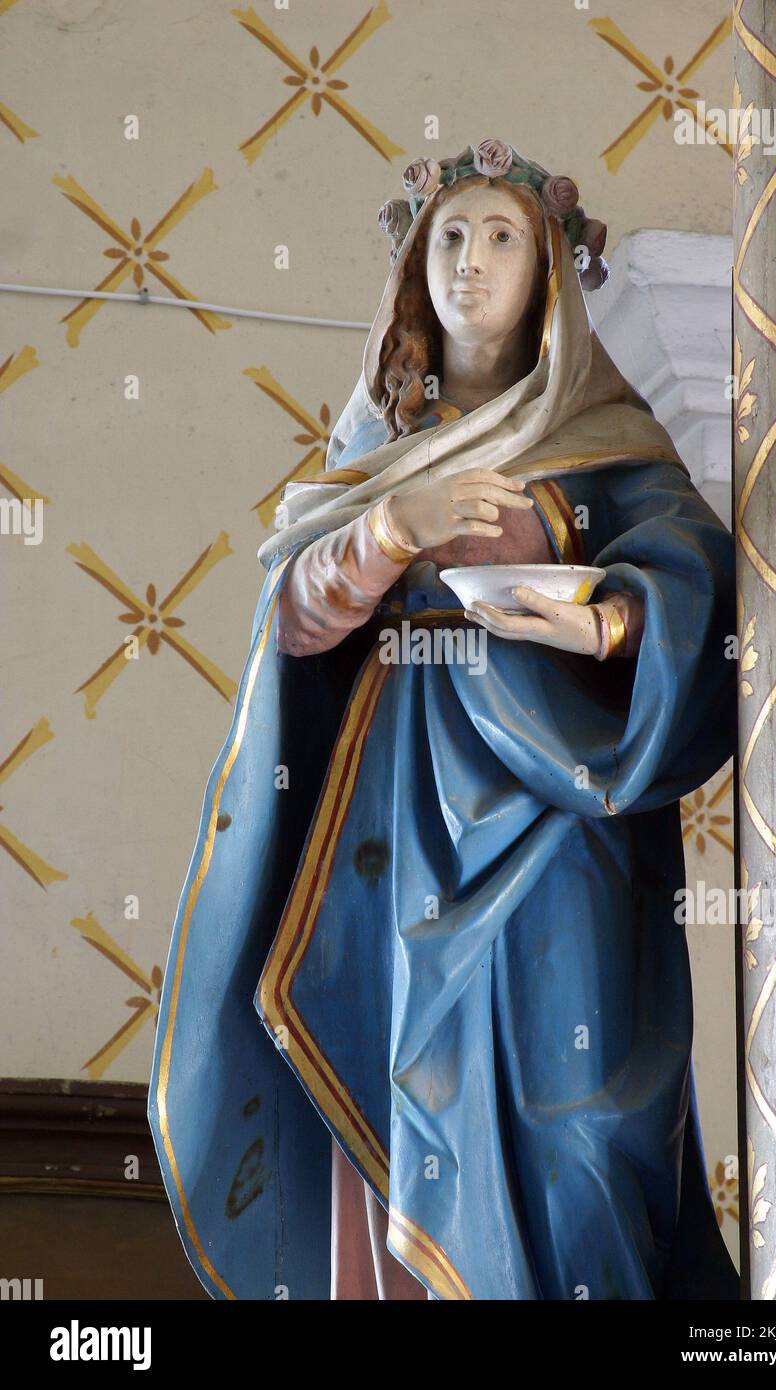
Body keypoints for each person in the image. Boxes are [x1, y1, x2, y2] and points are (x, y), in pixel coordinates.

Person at [149, 141, 738, 1301]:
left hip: (558, 825)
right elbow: (294, 619)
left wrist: (602, 619)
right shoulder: (372, 454)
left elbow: (696, 583)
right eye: (450, 239)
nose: (469, 264)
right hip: (396, 834)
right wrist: (388, 528)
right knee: (401, 1077)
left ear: (550, 278)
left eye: (501, 238)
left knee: (577, 1120)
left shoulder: (611, 444)